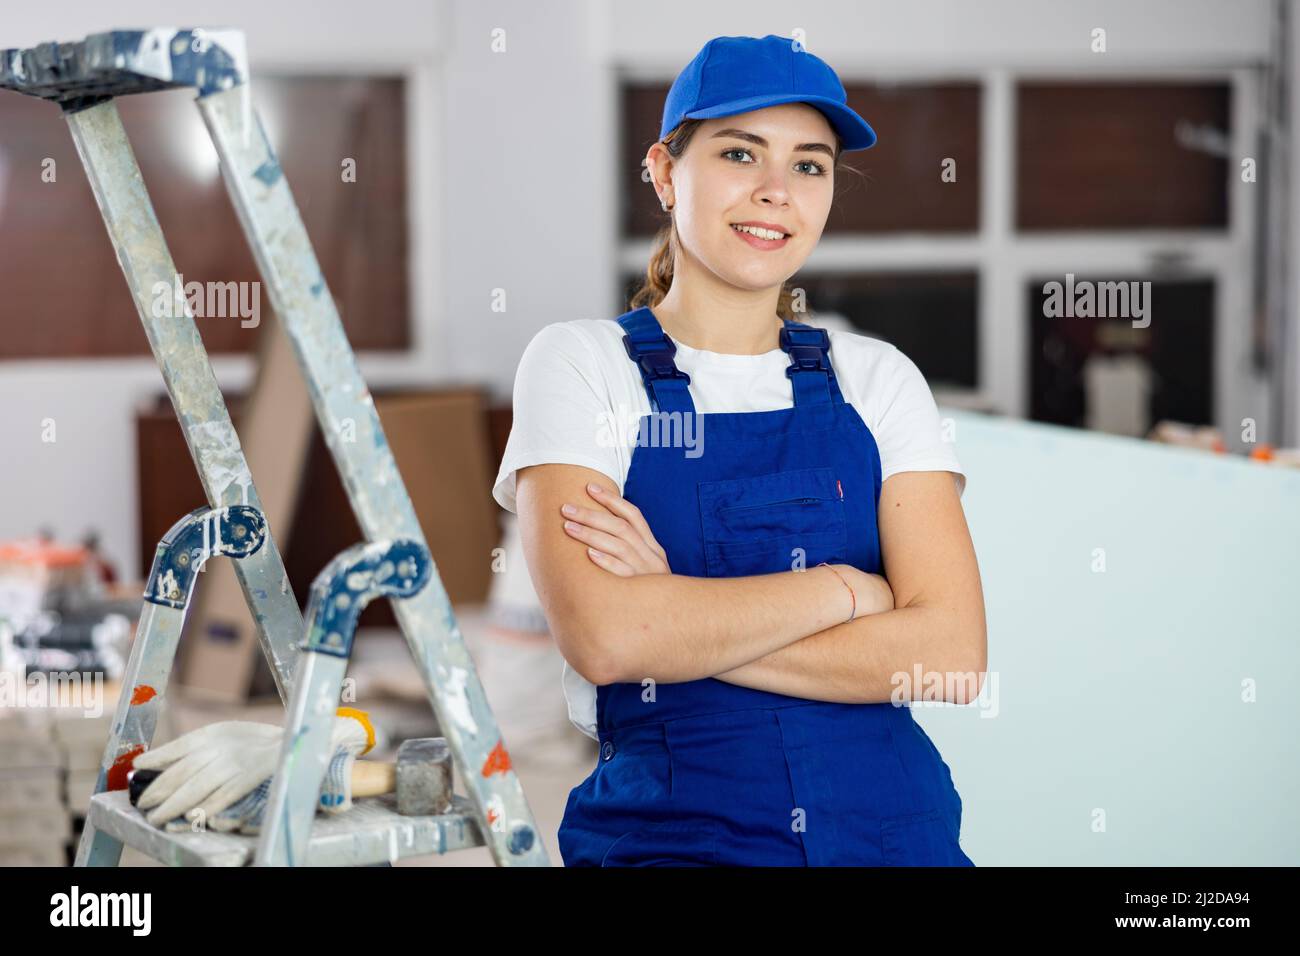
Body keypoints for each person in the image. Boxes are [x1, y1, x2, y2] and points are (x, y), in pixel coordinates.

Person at [491, 34, 986, 866]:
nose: (774, 193)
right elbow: (611, 642)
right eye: (737, 152)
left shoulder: (878, 377)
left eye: (809, 165)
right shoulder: (582, 364)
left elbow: (950, 658)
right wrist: (848, 592)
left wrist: (677, 613)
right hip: (676, 838)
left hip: (898, 832)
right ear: (663, 170)